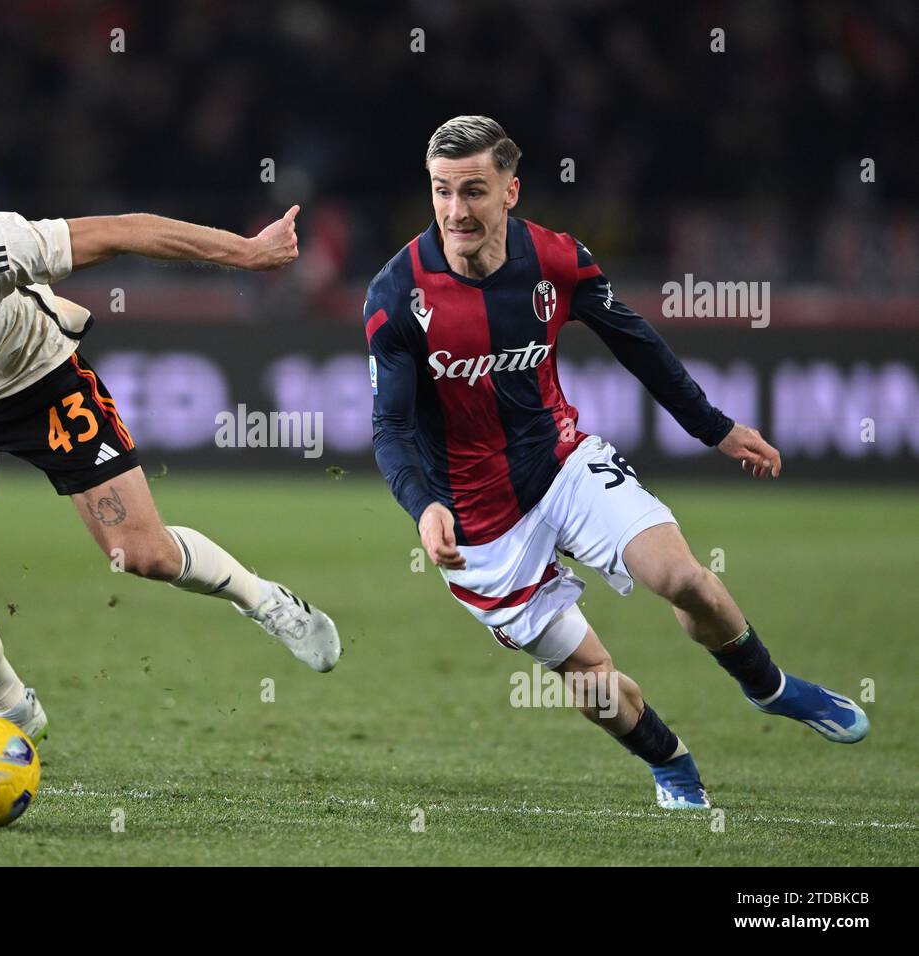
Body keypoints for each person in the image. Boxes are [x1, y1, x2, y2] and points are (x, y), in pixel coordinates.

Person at [364, 115, 868, 809]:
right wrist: (424, 505)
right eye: (442, 191)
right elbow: (389, 426)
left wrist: (713, 427)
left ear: (511, 191)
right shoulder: (397, 296)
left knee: (684, 577)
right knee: (593, 679)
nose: (456, 211)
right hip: (477, 524)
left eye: (474, 191)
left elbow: (635, 341)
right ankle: (671, 763)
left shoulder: (556, 260)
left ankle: (771, 686)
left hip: (562, 463)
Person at [0, 203, 341, 742]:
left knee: (143, 553)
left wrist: (245, 252)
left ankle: (263, 600)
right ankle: (13, 709)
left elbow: (124, 231)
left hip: (37, 375)